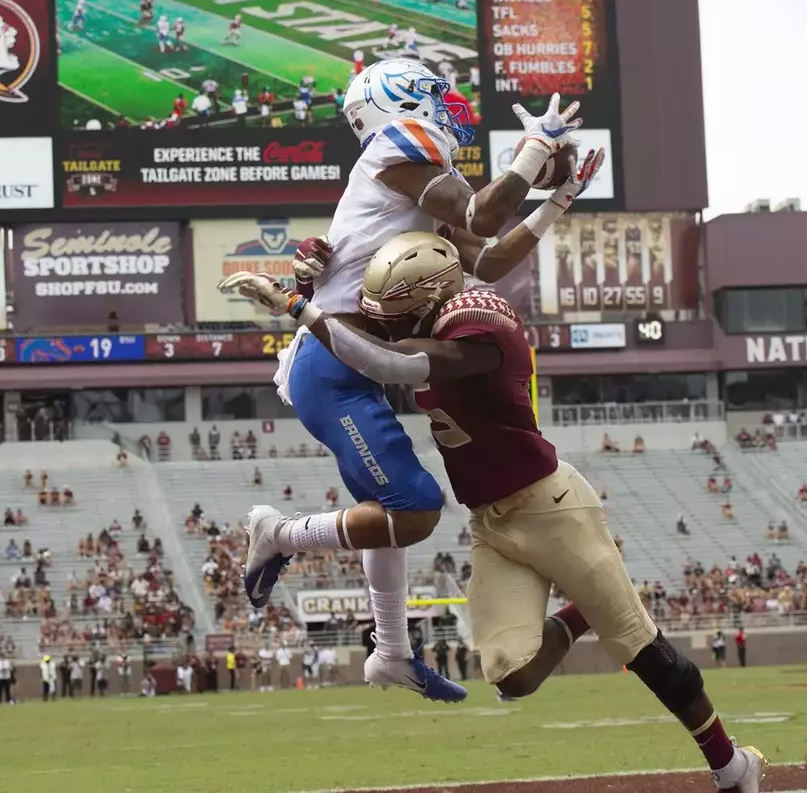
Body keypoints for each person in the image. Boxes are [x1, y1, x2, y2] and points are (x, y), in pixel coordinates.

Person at [224, 233, 763, 792]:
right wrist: (309, 287)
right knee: (514, 675)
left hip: (550, 506)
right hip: (491, 522)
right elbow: (357, 335)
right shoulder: (427, 315)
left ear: (433, 298)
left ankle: (732, 768)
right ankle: (587, 608)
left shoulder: (481, 326)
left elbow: (387, 360)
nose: (391, 323)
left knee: (645, 652)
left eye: (400, 313)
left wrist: (297, 307)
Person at [234, 66, 597, 703]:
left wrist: (557, 200)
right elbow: (484, 217)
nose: (444, 102)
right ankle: (279, 533)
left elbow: (488, 260)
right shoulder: (399, 147)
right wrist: (535, 150)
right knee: (416, 509)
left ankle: (392, 652)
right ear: (395, 103)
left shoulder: (414, 181)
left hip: (355, 357)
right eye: (430, 92)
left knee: (387, 512)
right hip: (334, 361)